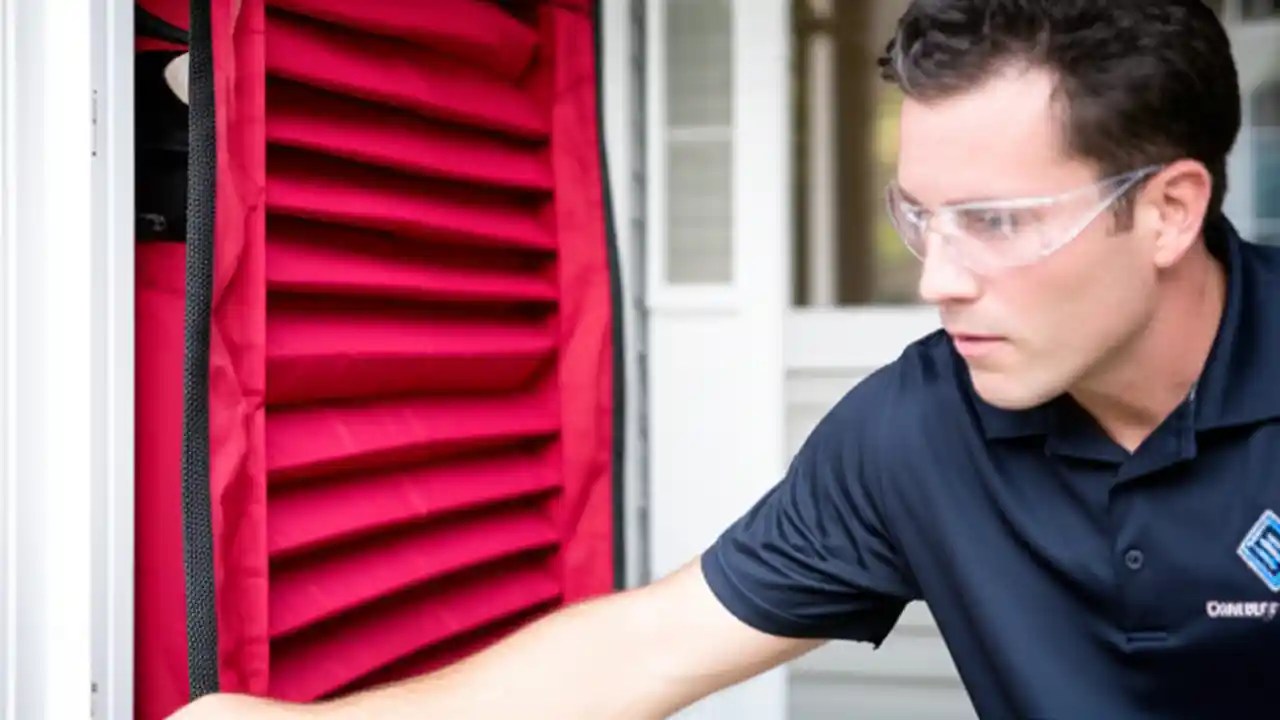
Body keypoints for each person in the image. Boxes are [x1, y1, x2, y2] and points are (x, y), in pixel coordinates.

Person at [171, 1, 1280, 717]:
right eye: (919, 220)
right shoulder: (918, 426)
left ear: (1169, 210)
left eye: (992, 221)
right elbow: (648, 648)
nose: (935, 279)